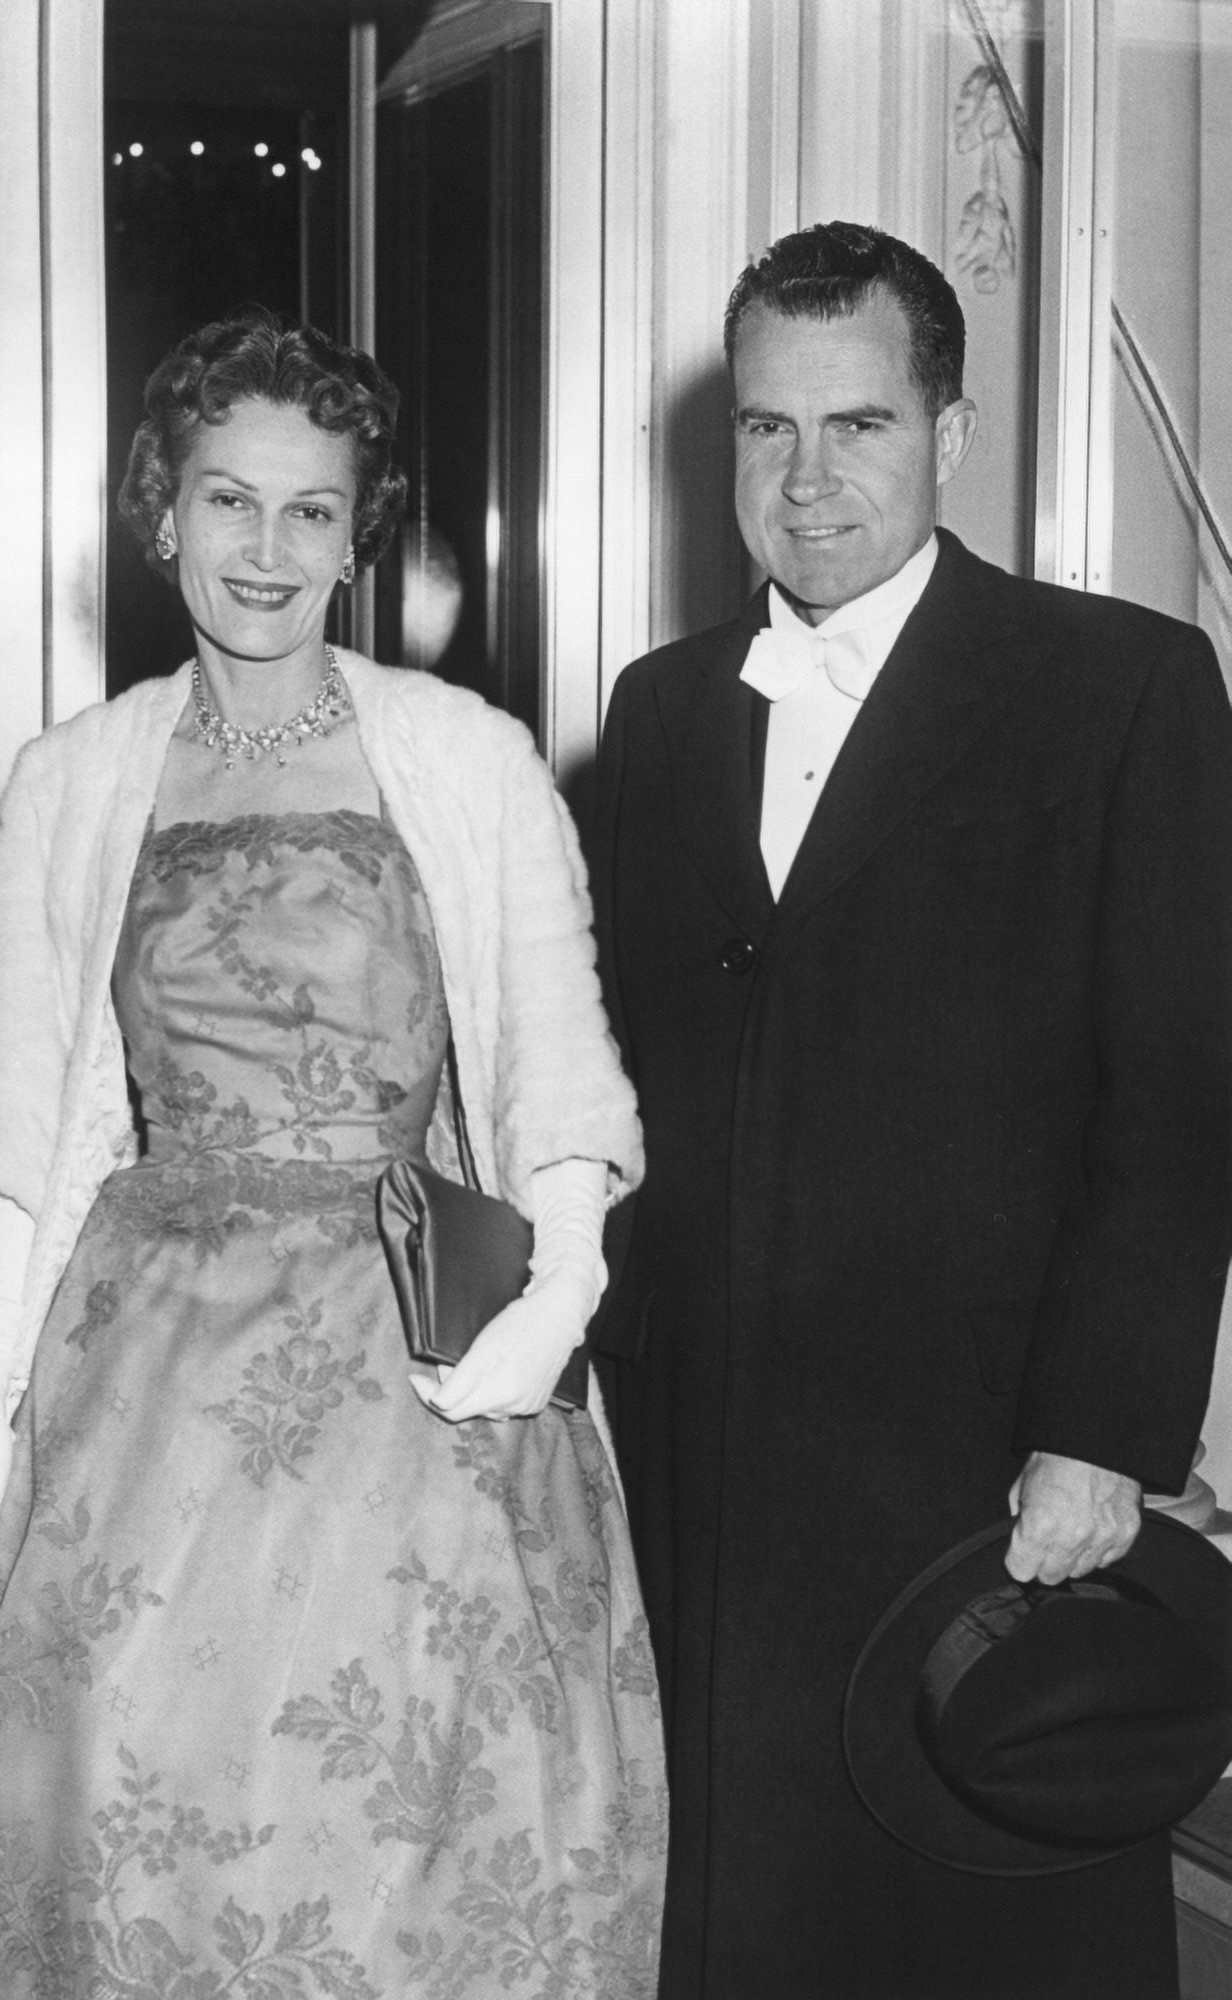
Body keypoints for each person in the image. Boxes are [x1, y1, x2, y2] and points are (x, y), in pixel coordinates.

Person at [0, 307, 667, 1997]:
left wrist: (558, 1297)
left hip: (419, 1379)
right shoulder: (77, 777)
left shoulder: (468, 761)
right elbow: (26, 1126)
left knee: (407, 1830)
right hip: (138, 1366)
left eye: (311, 509)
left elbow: (559, 1077)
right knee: (102, 1812)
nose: (267, 548)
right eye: (227, 501)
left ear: (357, 533)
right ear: (159, 513)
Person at [590, 220, 1232, 1999]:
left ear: (948, 439)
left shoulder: (1121, 688)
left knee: (987, 1917)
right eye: (765, 430)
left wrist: (1102, 1430)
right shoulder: (656, 716)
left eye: (857, 425)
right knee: (734, 1920)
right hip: (700, 1452)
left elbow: (1175, 1103)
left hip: (979, 1455)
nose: (805, 482)